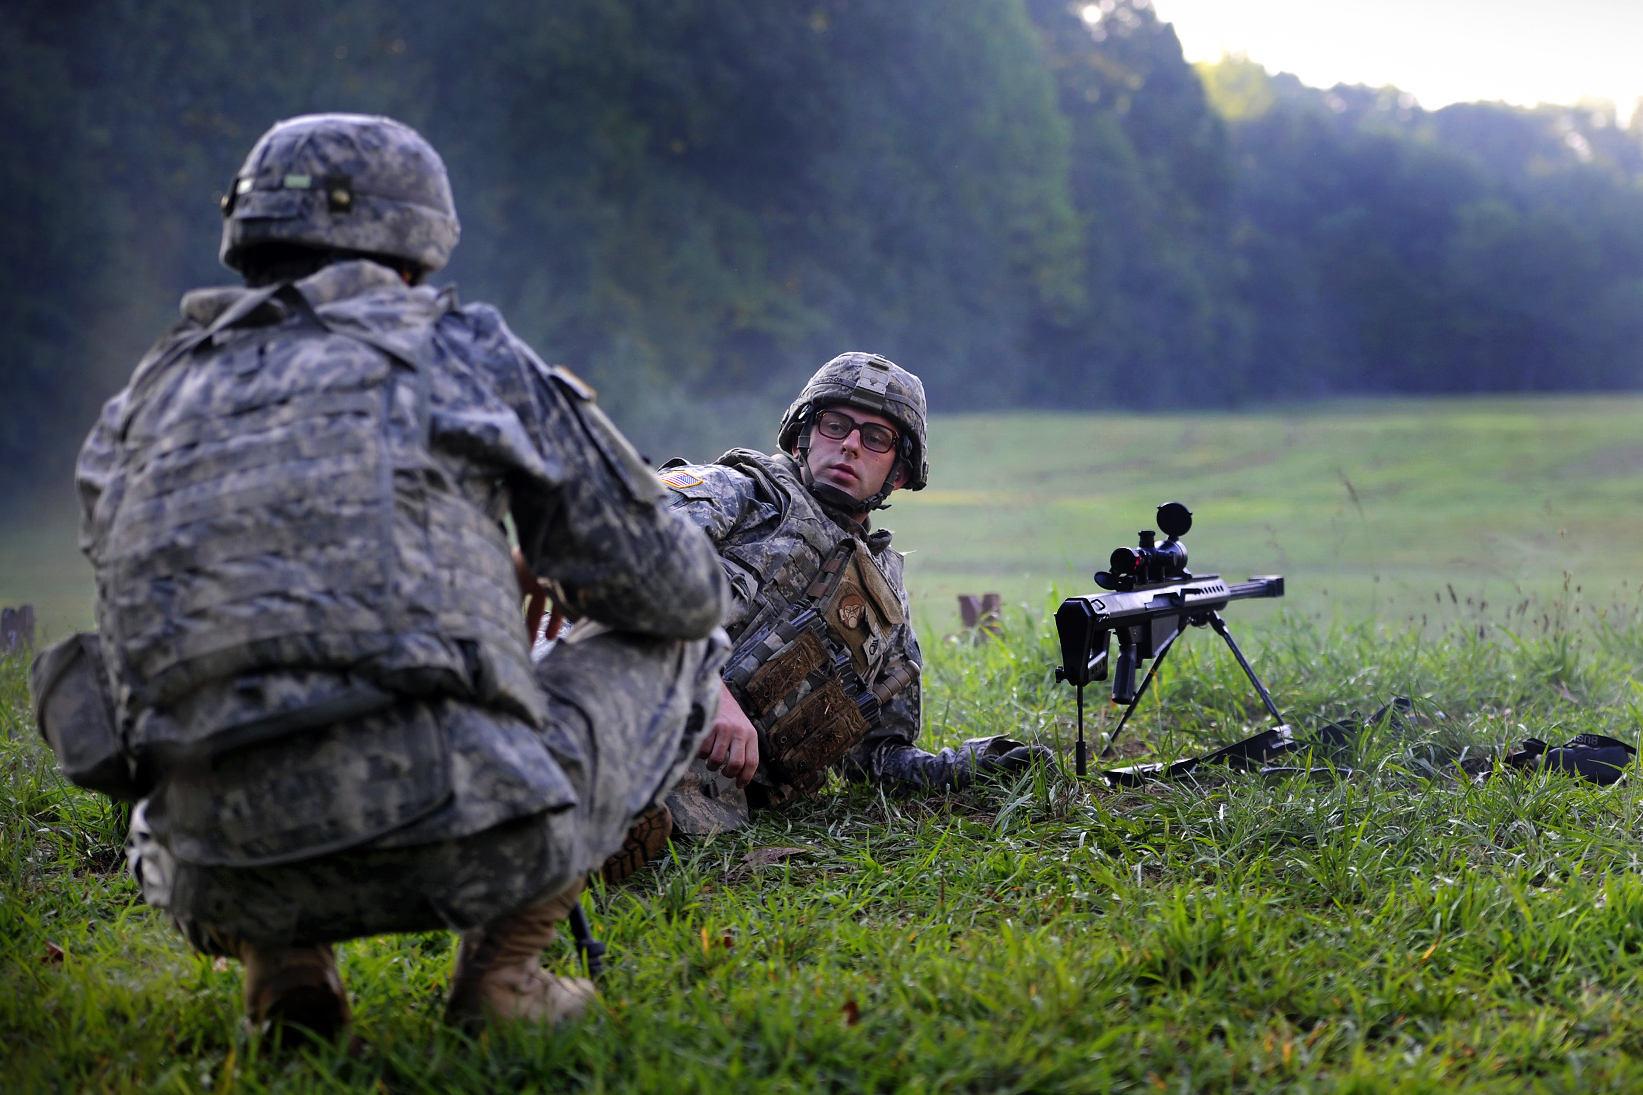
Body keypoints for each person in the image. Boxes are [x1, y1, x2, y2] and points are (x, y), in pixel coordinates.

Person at [69, 114, 729, 1038]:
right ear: (414, 245)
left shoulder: (143, 400)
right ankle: (502, 973)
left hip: (207, 866)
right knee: (688, 634)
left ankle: (283, 964)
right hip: (457, 838)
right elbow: (679, 587)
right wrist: (545, 566)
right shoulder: (467, 351)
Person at [657, 353, 1050, 834]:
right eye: (835, 425)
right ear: (803, 438)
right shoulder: (738, 493)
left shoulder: (882, 602)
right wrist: (704, 686)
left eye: (876, 438)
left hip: (700, 800)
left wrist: (973, 766)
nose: (849, 446)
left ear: (899, 472)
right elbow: (617, 553)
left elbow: (876, 760)